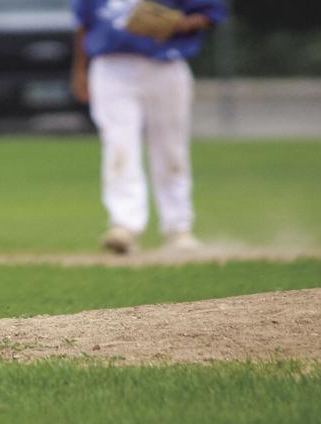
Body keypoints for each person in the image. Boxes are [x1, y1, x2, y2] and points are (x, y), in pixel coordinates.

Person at [69, 0, 227, 255]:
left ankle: (178, 228)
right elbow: (83, 24)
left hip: (165, 62)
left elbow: (212, 12)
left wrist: (184, 22)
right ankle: (125, 225)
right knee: (118, 144)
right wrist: (79, 70)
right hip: (110, 66)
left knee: (171, 148)